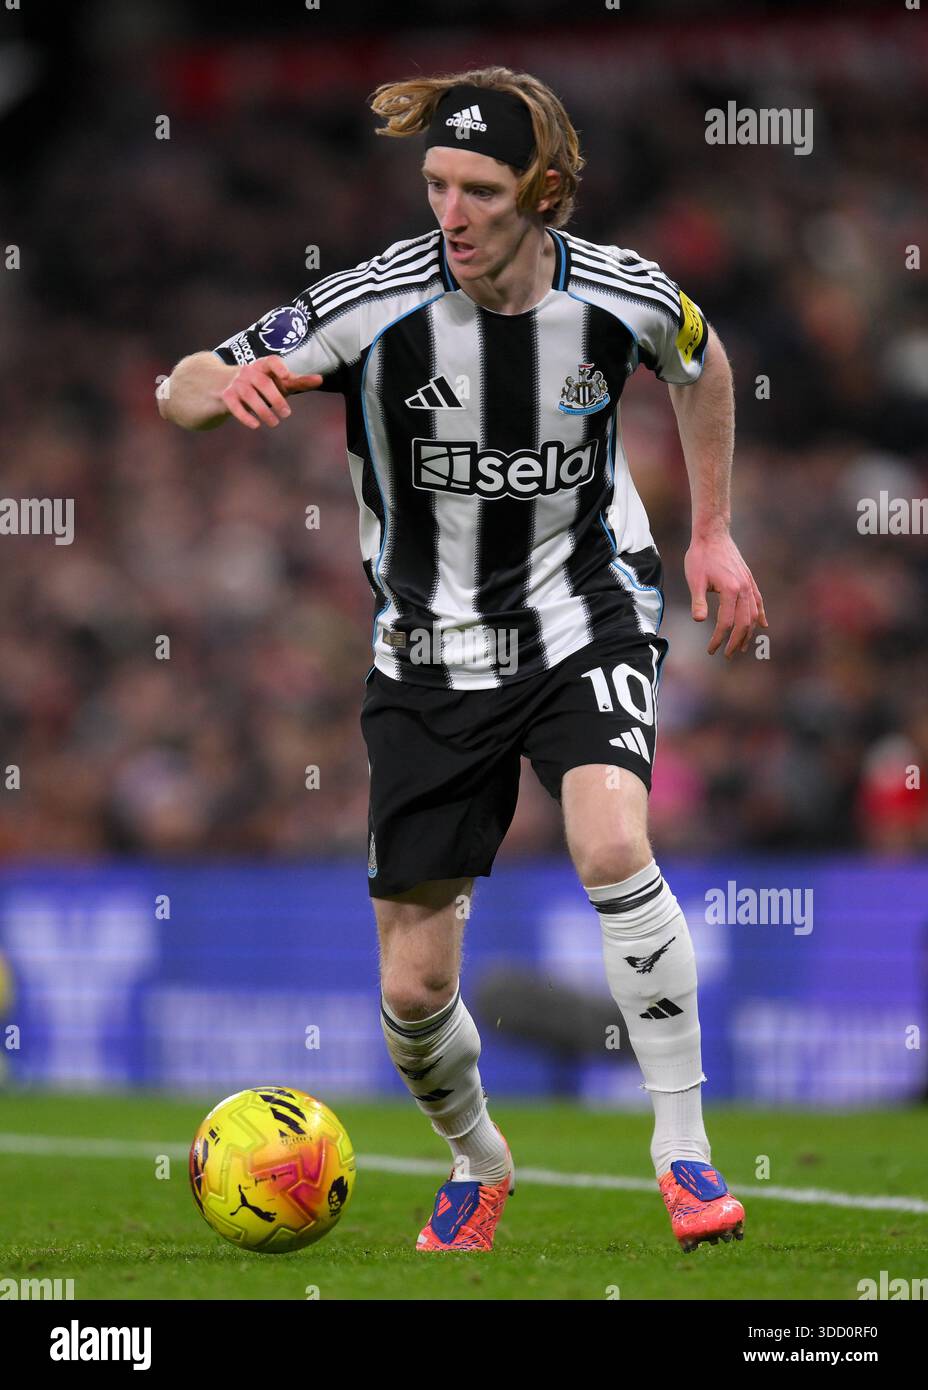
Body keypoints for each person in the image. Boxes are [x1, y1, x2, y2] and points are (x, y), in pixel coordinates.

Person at [159, 65, 766, 1255]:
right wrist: (217, 383)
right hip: (428, 655)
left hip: (583, 610)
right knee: (414, 992)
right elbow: (178, 384)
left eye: (479, 189)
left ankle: (684, 1155)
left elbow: (703, 362)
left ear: (544, 191)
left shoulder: (620, 295)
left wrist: (709, 529)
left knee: (610, 841)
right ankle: (478, 1159)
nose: (451, 213)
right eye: (436, 183)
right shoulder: (371, 301)